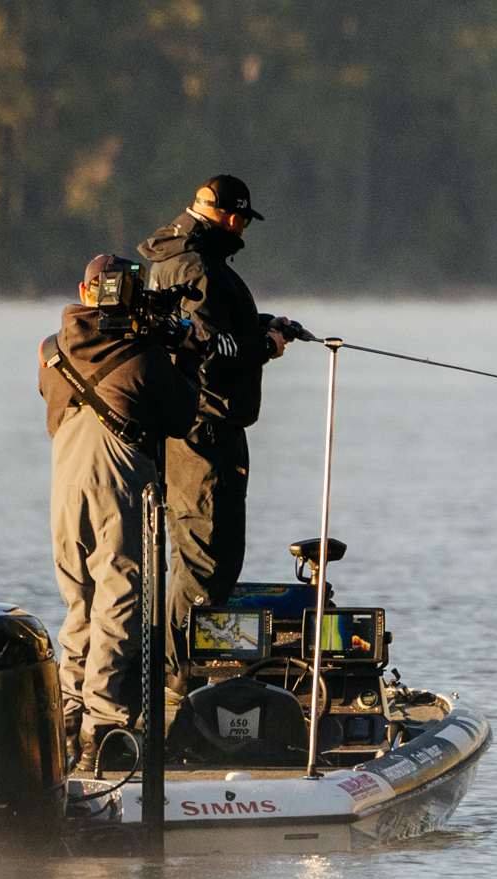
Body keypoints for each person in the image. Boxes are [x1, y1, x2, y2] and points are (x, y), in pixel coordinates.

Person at [137, 175, 306, 692]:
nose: (243, 232)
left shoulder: (174, 258)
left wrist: (264, 324)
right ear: (231, 217)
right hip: (205, 432)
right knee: (207, 562)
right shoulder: (199, 267)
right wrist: (266, 345)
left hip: (187, 430)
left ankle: (169, 674)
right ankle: (175, 682)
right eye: (242, 222)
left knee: (193, 559)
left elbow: (203, 329)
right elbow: (209, 348)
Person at [39, 254, 199, 764]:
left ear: (83, 292)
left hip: (65, 486)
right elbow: (181, 416)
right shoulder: (144, 357)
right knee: (119, 602)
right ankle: (102, 729)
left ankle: (67, 718)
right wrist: (186, 353)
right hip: (118, 483)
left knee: (79, 602)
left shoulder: (51, 351)